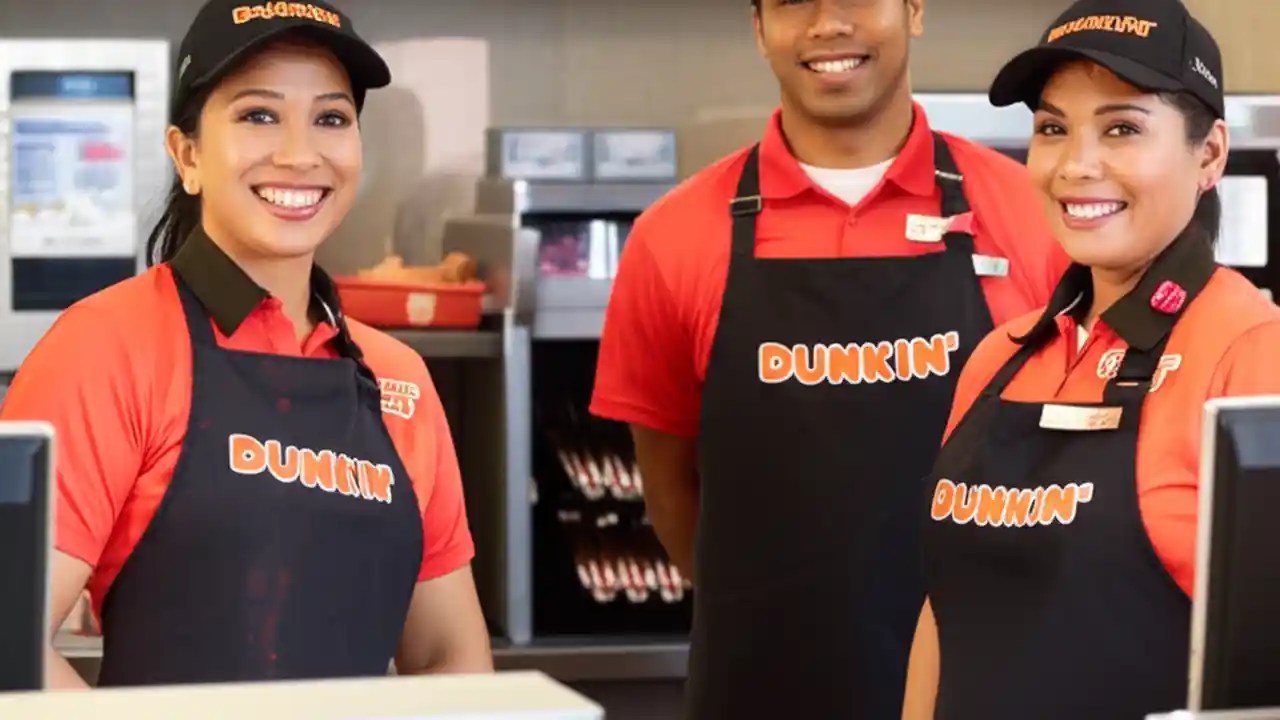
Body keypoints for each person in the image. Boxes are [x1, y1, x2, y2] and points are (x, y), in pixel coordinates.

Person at [589, 0, 1070, 717]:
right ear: (758, 27)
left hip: (982, 687)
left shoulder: (1033, 213)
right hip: (757, 688)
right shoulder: (674, 237)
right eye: (791, 2)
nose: (826, 22)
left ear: (914, 9)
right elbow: (668, 487)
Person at [0, 0, 492, 688]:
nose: (300, 153)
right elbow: (9, 638)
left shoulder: (396, 379)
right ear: (188, 154)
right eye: (258, 115)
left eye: (331, 117)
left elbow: (451, 658)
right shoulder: (105, 347)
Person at [901, 0, 1280, 717]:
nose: (1076, 165)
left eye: (1123, 129)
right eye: (1052, 128)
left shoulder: (1253, 352)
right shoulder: (999, 358)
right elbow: (946, 611)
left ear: (1211, 154)